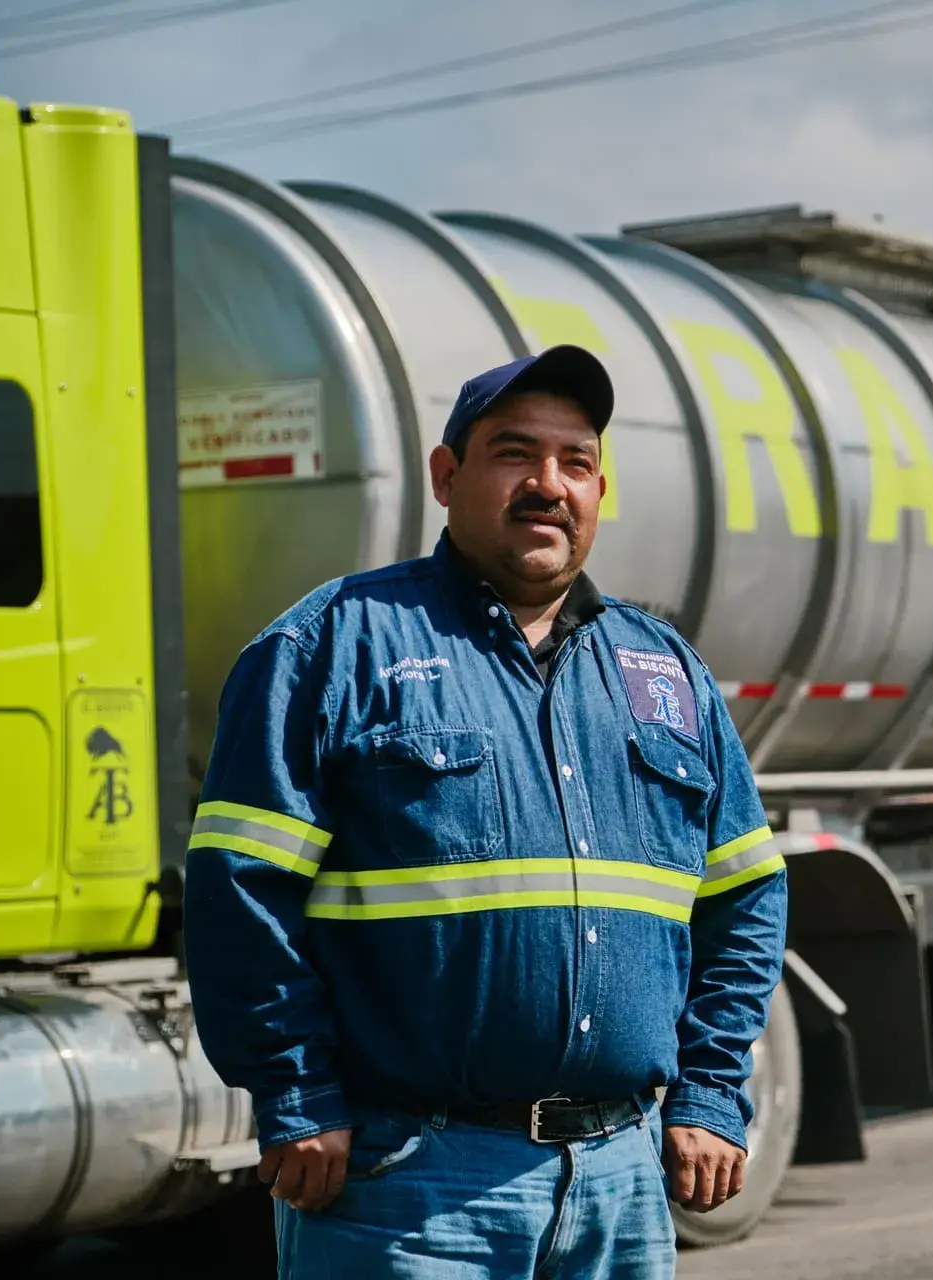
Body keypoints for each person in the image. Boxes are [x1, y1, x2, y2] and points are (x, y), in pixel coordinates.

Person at [182, 344, 789, 1279]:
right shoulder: (328, 648)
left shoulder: (663, 670)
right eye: (515, 454)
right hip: (409, 1183)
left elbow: (746, 896)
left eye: (576, 462)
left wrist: (709, 1093)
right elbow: (240, 893)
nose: (549, 484)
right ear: (446, 475)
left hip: (620, 1184)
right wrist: (295, 1093)